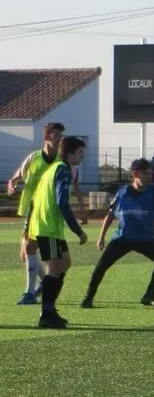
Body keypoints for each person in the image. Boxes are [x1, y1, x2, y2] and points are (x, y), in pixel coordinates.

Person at [80, 158, 154, 310]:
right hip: (123, 238)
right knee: (101, 266)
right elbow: (110, 215)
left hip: (146, 239)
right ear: (136, 174)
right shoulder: (122, 192)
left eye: (150, 173)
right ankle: (88, 297)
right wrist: (101, 237)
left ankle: (149, 295)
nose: (150, 176)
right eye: (146, 173)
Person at [6, 122, 79, 305]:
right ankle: (37, 289)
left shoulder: (62, 162)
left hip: (48, 212)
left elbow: (73, 185)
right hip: (32, 209)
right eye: (56, 135)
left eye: (61, 136)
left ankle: (33, 292)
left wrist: (81, 208)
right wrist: (11, 186)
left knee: (41, 254)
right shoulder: (34, 158)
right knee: (29, 251)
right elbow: (16, 178)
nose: (60, 138)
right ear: (47, 137)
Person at [27, 136, 88, 329]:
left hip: (48, 225)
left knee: (65, 263)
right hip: (49, 227)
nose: (83, 156)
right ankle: (46, 313)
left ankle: (49, 308)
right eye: (80, 152)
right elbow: (62, 202)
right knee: (54, 269)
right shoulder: (63, 169)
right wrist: (78, 230)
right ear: (70, 154)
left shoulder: (53, 168)